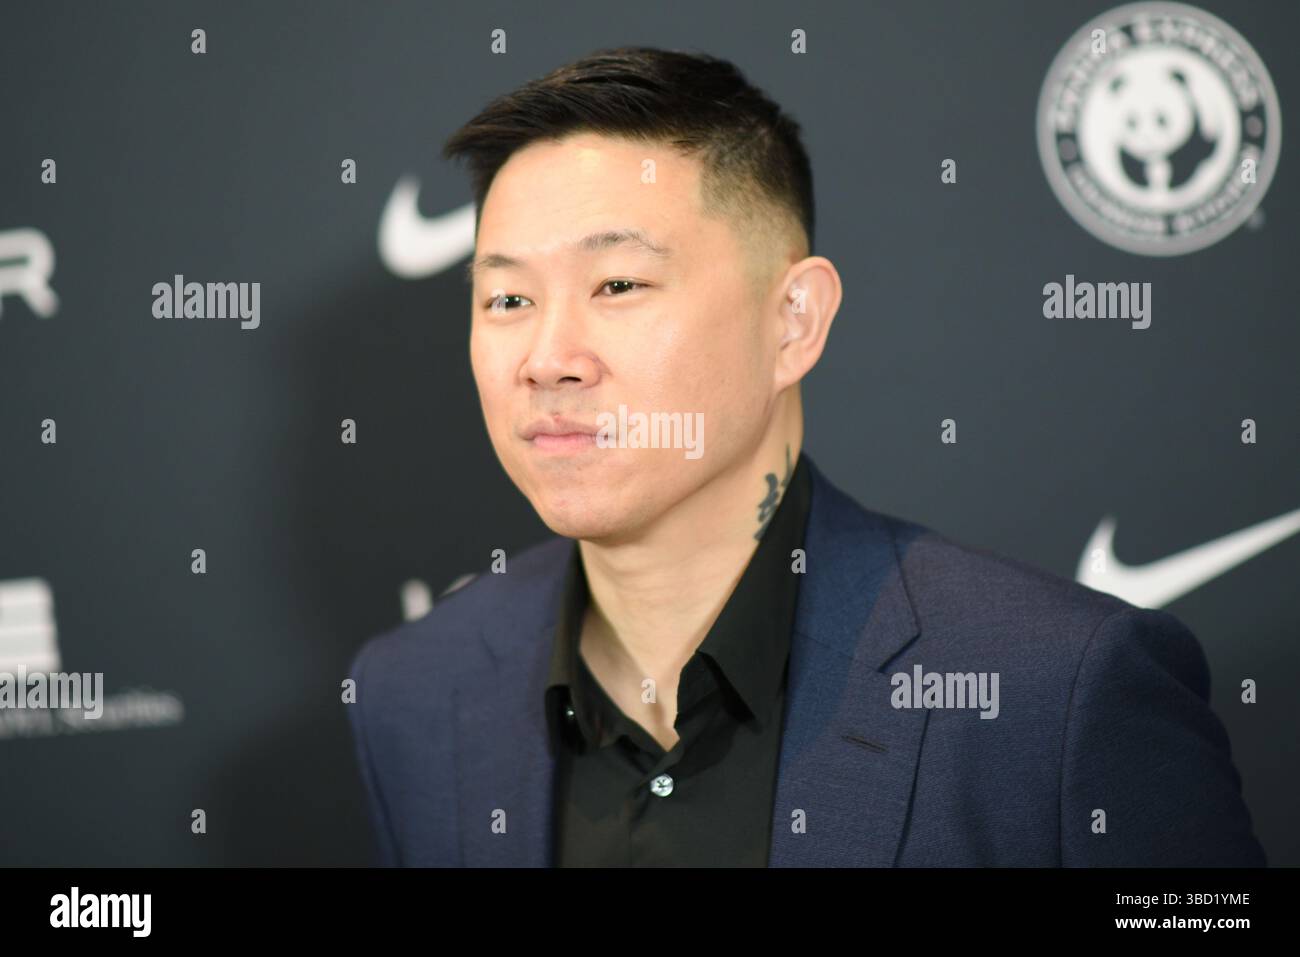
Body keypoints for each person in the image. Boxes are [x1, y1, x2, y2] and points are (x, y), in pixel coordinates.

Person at [346, 46, 1265, 867]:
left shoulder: (1053, 691)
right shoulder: (417, 694)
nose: (547, 359)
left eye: (618, 283)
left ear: (794, 322)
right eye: (506, 300)